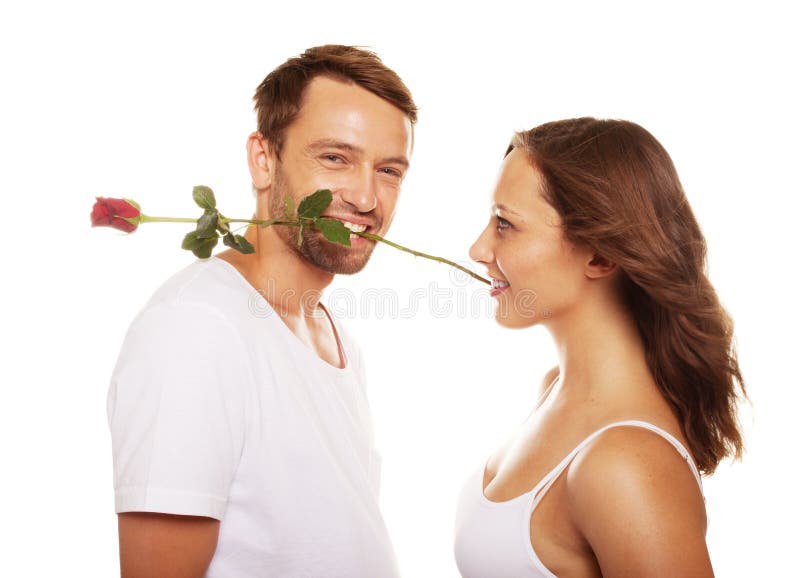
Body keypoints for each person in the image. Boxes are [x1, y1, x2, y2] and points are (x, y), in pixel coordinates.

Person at [107, 45, 416, 578]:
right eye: (335, 158)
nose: (367, 198)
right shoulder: (196, 327)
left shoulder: (336, 339)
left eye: (388, 170)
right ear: (263, 159)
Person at [455, 118, 745, 577]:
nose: (478, 249)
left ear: (600, 256)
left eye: (505, 224)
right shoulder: (553, 389)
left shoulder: (624, 462)